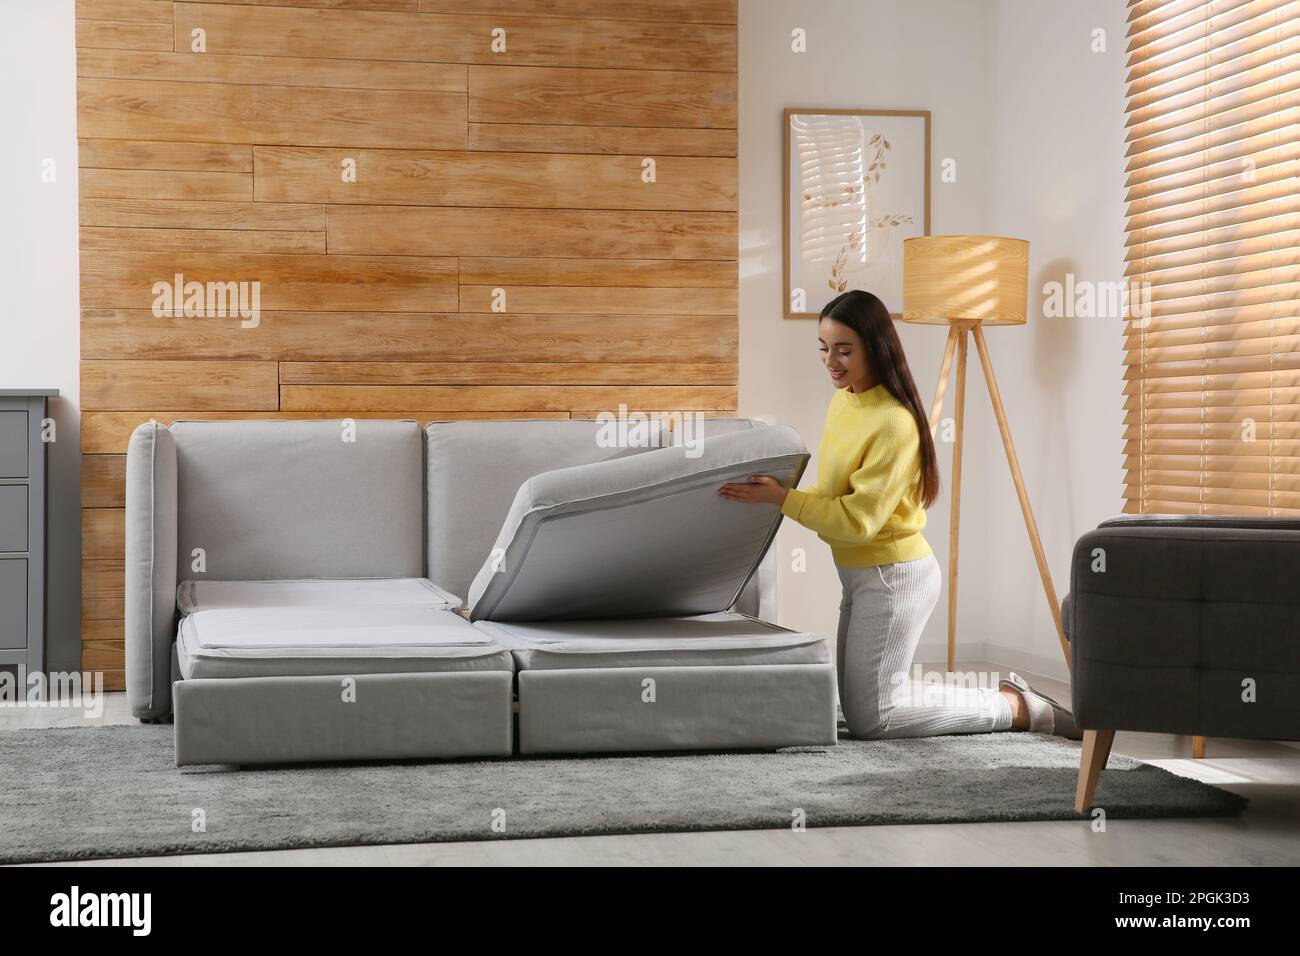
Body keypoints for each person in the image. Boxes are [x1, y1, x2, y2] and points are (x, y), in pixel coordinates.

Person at [719, 290, 1080, 740]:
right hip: (858, 574)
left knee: (874, 721)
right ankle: (1002, 696)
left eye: (844, 350)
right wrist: (776, 487)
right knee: (858, 708)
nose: (831, 361)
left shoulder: (893, 422)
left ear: (876, 346)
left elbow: (859, 521)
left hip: (893, 577)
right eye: (824, 348)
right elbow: (835, 493)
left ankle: (1018, 708)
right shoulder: (845, 401)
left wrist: (782, 499)